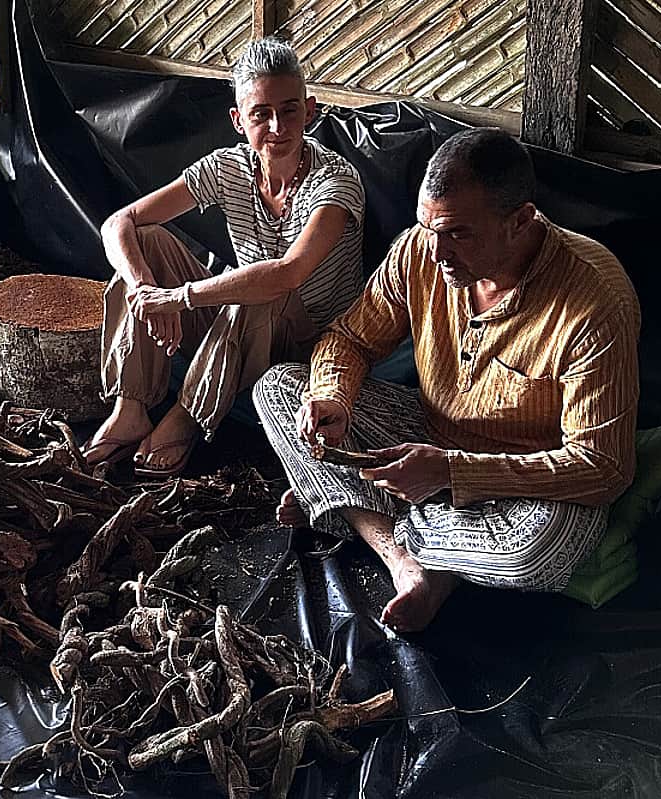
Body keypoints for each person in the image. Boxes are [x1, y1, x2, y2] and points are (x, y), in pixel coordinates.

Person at [254, 128, 640, 632]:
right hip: (426, 430)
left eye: (458, 233)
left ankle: (352, 511)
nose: (436, 253)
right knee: (280, 389)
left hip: (532, 479)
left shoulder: (593, 301)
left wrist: (453, 473)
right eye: (426, 228)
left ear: (520, 221)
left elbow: (603, 467)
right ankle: (406, 561)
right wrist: (334, 398)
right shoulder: (421, 249)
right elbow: (351, 339)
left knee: (534, 552)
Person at [82, 37, 367, 478]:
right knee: (149, 243)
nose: (277, 126)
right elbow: (119, 222)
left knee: (256, 286)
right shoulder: (228, 168)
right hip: (240, 325)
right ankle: (131, 406)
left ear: (310, 111)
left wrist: (179, 299)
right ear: (238, 120)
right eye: (261, 114)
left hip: (307, 339)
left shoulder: (336, 184)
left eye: (290, 109)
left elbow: (287, 275)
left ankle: (186, 416)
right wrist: (145, 290)